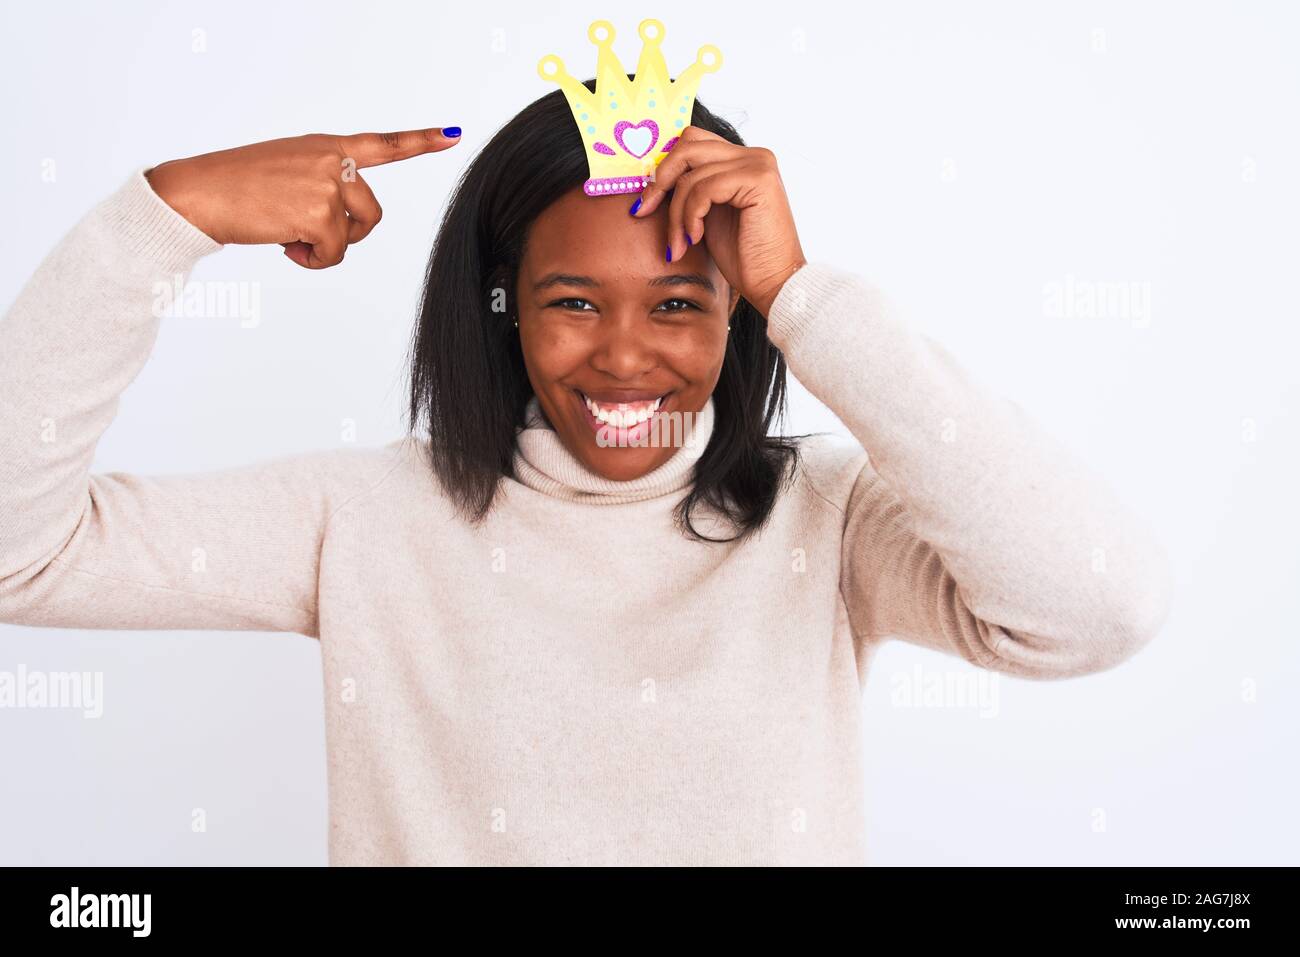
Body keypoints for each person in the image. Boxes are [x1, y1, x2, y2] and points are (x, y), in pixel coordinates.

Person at [0, 81, 1171, 866]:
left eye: (679, 303)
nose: (624, 355)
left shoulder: (830, 518)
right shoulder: (359, 520)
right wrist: (164, 220)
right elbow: (21, 555)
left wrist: (802, 296)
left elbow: (1097, 607)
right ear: (501, 311)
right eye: (570, 302)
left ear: (739, 316)